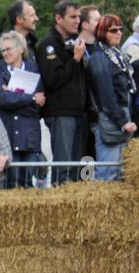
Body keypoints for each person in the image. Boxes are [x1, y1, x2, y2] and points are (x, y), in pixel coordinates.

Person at [39, 2, 89, 182]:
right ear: (59, 19)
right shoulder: (48, 45)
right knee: (64, 168)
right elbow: (53, 80)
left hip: (80, 113)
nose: (77, 21)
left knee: (79, 167)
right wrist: (75, 59)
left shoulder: (77, 42)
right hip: (61, 113)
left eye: (79, 17)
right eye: (72, 17)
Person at [0, 32, 48, 187]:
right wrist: (29, 98)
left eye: (8, 49)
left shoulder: (34, 69)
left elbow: (40, 103)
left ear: (20, 49)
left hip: (29, 135)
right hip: (8, 136)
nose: (5, 53)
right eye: (3, 50)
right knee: (10, 183)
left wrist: (11, 94)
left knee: (27, 183)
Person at [88, 13, 137, 178]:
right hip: (108, 119)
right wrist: (123, 122)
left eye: (120, 29)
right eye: (113, 30)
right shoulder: (99, 58)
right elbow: (105, 95)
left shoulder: (115, 54)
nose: (119, 33)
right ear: (102, 33)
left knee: (119, 173)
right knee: (107, 173)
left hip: (119, 115)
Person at [0, 1, 41, 83]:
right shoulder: (0, 45)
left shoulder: (31, 44)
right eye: (32, 15)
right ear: (19, 19)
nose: (36, 18)